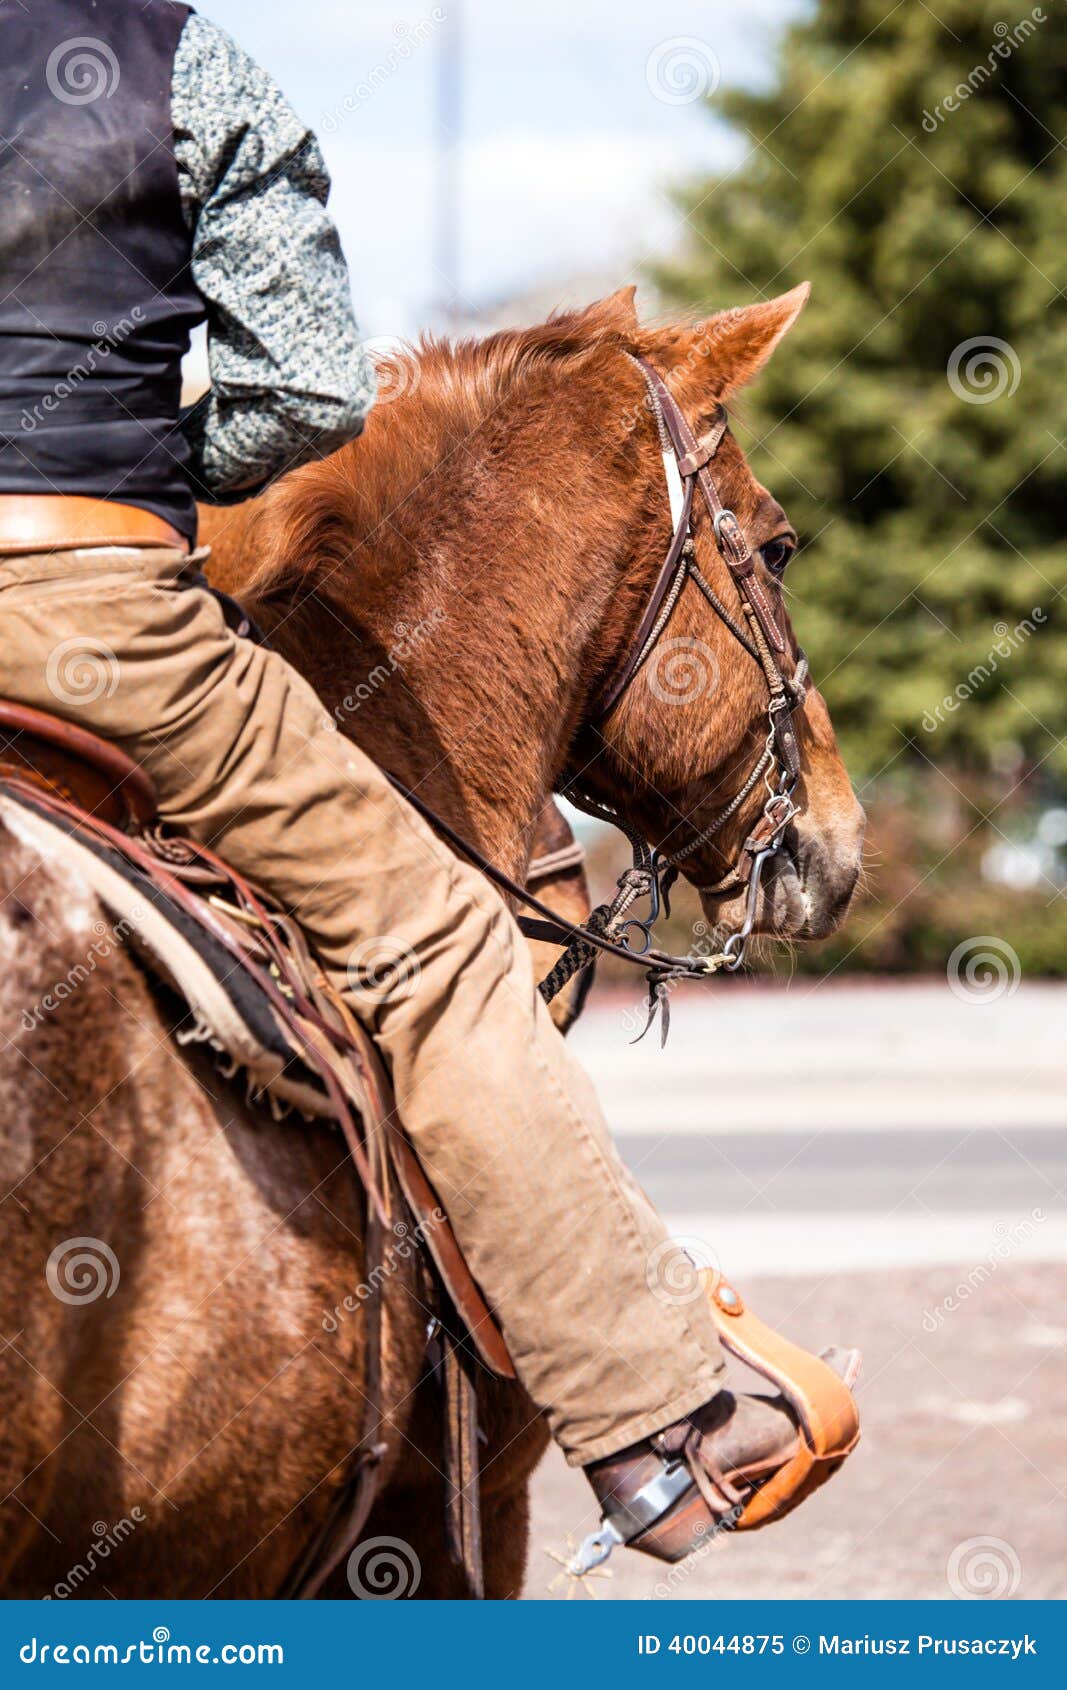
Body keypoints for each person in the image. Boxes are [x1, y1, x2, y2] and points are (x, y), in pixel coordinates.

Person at [0, 0, 810, 1559]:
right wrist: (130, 456)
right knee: (440, 949)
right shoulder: (189, 63)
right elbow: (308, 398)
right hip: (96, 619)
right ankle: (649, 1415)